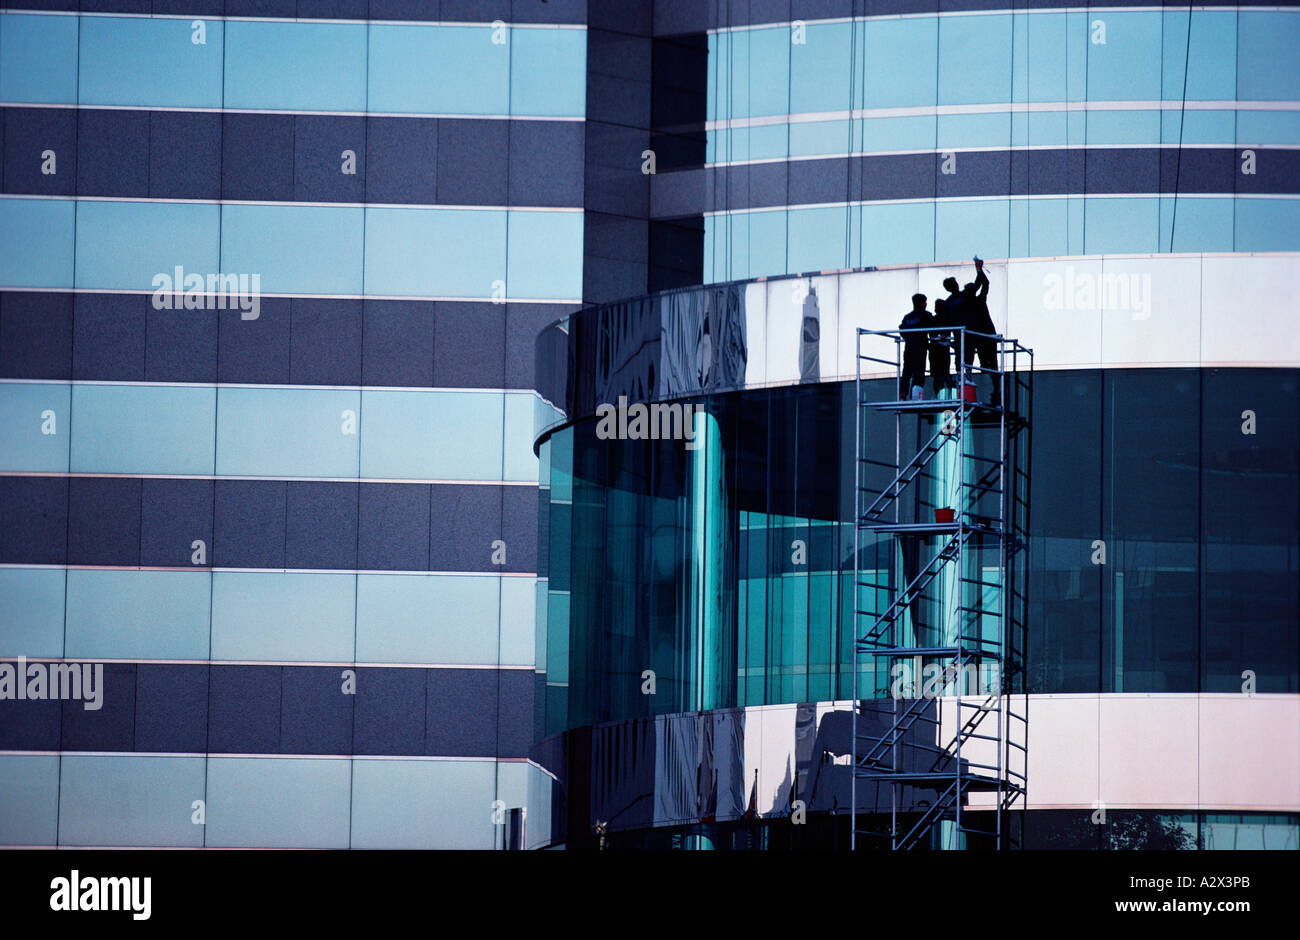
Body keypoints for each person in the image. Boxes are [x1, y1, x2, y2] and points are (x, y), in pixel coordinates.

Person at [958, 257, 1001, 406]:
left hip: (984, 337)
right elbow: (984, 284)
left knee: (988, 366)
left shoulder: (968, 303)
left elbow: (982, 285)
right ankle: (995, 392)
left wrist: (978, 271)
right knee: (990, 366)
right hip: (985, 337)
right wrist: (978, 270)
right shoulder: (977, 301)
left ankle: (996, 392)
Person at [898, 293, 930, 399]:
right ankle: (915, 397)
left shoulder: (907, 317)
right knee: (919, 372)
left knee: (906, 372)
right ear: (922, 303)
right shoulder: (925, 315)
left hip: (909, 348)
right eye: (925, 302)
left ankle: (902, 395)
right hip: (920, 348)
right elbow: (934, 328)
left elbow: (902, 330)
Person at [929, 298, 957, 396]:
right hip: (937, 349)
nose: (935, 308)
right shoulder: (935, 319)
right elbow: (931, 333)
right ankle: (941, 394)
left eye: (937, 306)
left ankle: (946, 394)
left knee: (943, 374)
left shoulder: (944, 319)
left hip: (940, 349)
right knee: (939, 375)